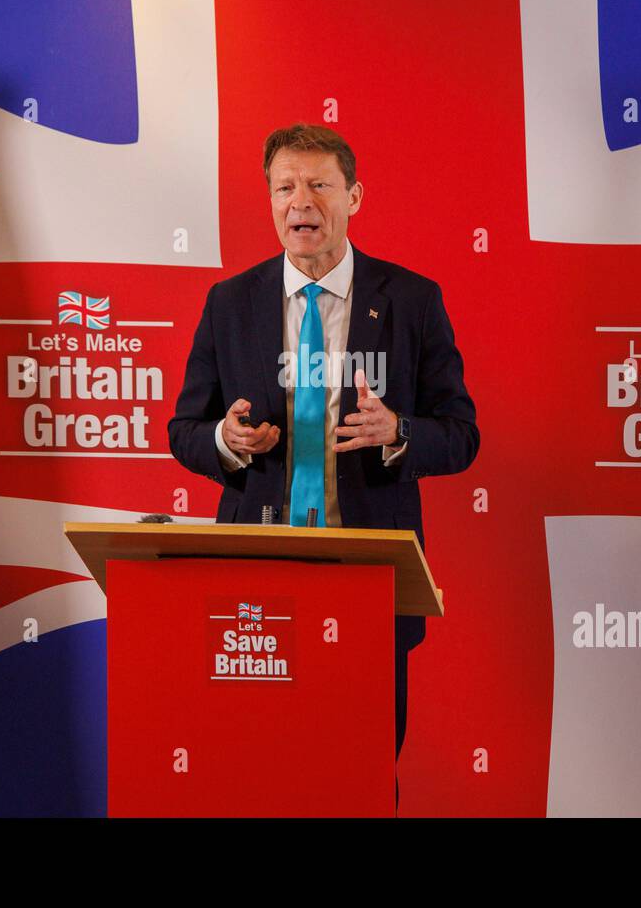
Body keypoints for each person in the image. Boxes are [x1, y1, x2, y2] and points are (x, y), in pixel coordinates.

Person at [167, 122, 479, 778]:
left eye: (318, 184)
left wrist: (398, 431)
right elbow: (184, 429)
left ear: (355, 196)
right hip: (258, 580)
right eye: (284, 187)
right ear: (270, 200)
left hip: (370, 578)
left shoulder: (412, 301)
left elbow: (461, 432)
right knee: (258, 769)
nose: (299, 201)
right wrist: (228, 439)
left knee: (359, 771)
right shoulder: (229, 302)